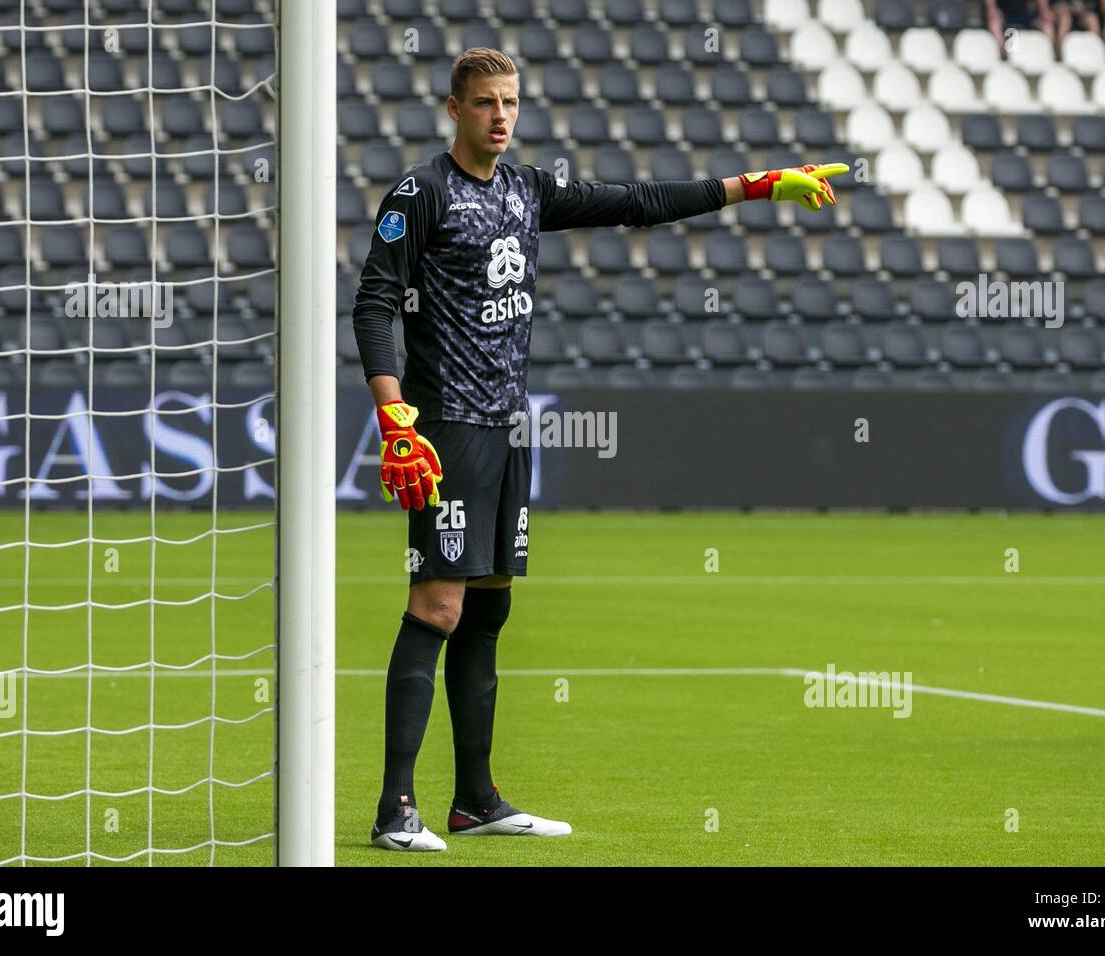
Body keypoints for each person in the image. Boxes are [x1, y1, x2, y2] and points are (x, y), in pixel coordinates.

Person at [350, 47, 847, 851]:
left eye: (509, 101)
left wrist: (752, 186)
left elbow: (641, 201)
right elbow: (374, 302)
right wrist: (394, 415)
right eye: (484, 103)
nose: (500, 115)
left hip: (509, 427)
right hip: (445, 429)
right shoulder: (422, 194)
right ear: (454, 110)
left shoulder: (527, 188)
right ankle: (393, 810)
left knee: (489, 606)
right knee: (437, 607)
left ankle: (476, 800)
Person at [988, 0, 1056, 58]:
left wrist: (1044, 11)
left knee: (1047, 25)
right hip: (1006, 15)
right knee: (994, 22)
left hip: (1026, 15)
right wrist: (992, 8)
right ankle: (1003, 56)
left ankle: (1049, 56)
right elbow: (992, 10)